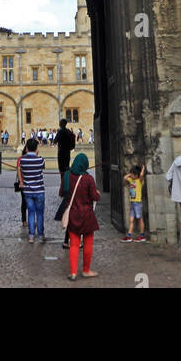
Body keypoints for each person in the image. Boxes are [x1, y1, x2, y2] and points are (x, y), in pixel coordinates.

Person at [60, 152, 100, 280]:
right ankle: (86, 270)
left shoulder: (67, 176)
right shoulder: (88, 179)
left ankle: (73, 272)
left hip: (73, 213)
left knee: (74, 244)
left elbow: (62, 193)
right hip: (87, 214)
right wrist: (97, 193)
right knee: (88, 243)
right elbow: (95, 197)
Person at [17, 137, 45, 242]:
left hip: (28, 191)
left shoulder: (22, 160)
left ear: (27, 148)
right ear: (36, 148)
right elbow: (42, 168)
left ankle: (31, 236)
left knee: (31, 212)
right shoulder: (40, 160)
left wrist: (21, 182)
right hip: (39, 190)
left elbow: (19, 169)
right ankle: (41, 235)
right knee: (40, 213)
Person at [122, 162, 146, 241]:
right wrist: (130, 174)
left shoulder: (140, 181)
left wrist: (142, 169)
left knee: (140, 219)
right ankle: (129, 235)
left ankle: (142, 235)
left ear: (136, 175)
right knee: (131, 220)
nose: (131, 175)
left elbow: (142, 175)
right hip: (132, 203)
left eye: (133, 174)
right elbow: (125, 178)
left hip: (138, 203)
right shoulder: (131, 180)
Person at [54, 118, 76, 188]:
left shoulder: (60, 132)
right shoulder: (68, 132)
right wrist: (71, 147)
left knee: (61, 170)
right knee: (66, 168)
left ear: (61, 124)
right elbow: (73, 136)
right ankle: (67, 185)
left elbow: (54, 141)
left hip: (61, 153)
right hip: (67, 153)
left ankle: (63, 186)